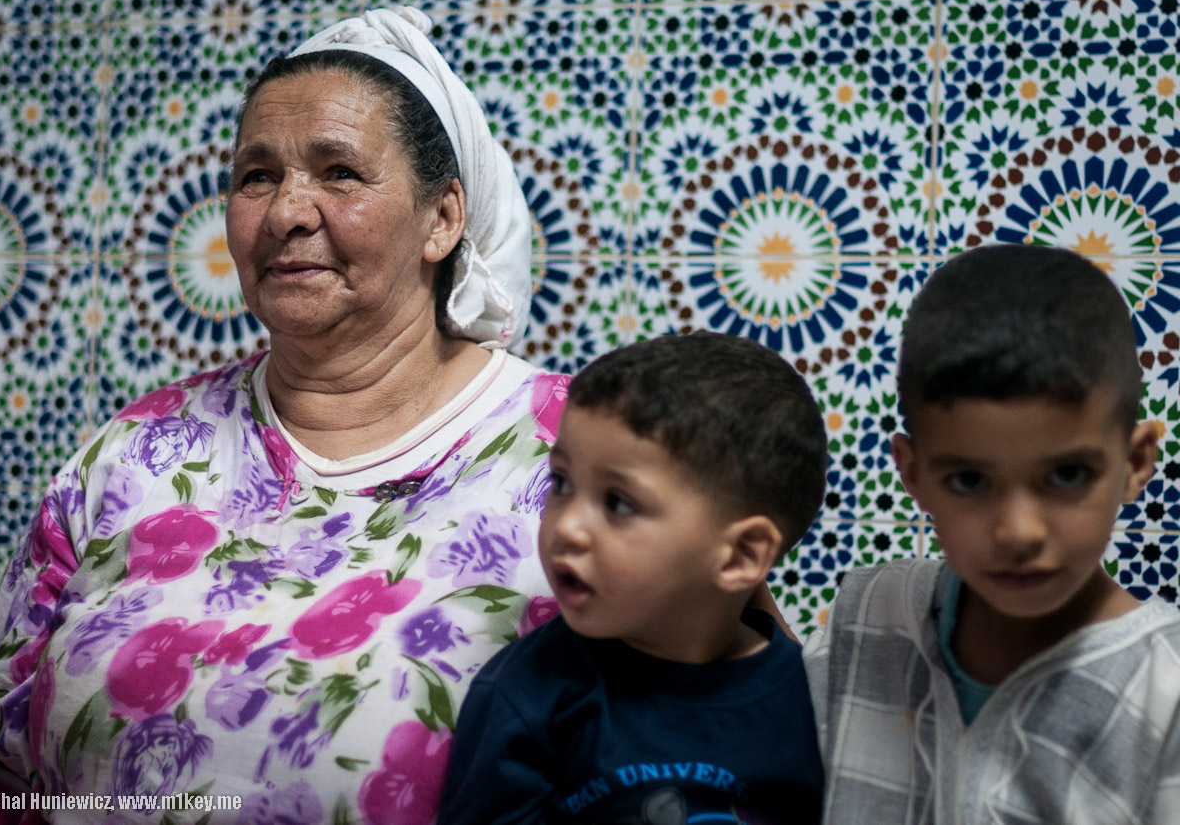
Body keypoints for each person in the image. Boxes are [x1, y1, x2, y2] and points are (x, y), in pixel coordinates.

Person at [0, 7, 571, 825]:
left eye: (339, 172)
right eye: (256, 176)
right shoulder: (137, 455)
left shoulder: (579, 455)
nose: (287, 210)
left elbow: (722, 743)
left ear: (444, 218)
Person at [804, 244, 1180, 825]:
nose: (1018, 532)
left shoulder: (1167, 692)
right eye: (971, 480)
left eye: (1067, 474)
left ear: (1135, 464)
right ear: (913, 474)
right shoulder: (869, 616)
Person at [439, 332, 828, 825]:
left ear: (740, 556)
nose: (566, 526)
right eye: (561, 483)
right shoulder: (527, 696)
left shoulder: (816, 701)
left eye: (618, 503)